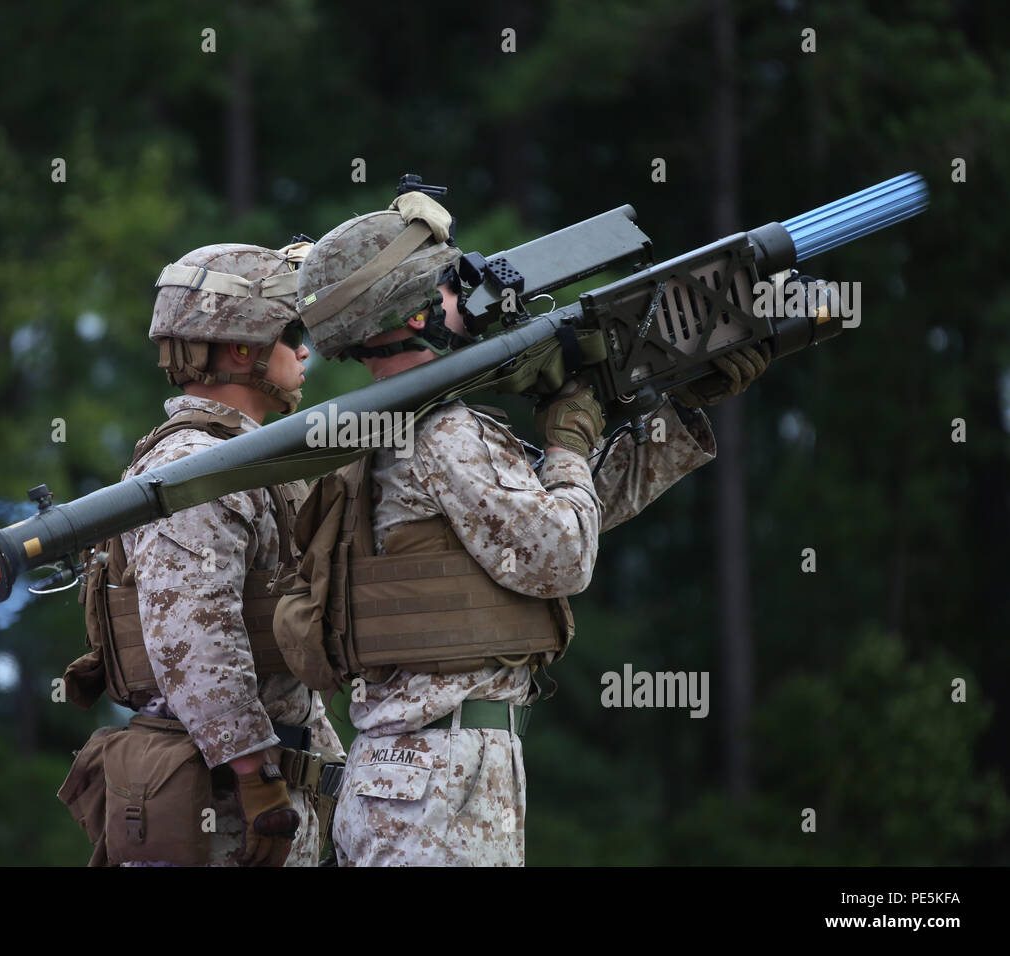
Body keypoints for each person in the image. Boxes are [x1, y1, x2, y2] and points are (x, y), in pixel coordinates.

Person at [293, 193, 766, 865]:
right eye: (451, 288)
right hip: (440, 781)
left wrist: (676, 421)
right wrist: (568, 443)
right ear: (415, 314)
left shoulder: (387, 426)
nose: (471, 299)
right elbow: (562, 554)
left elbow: (544, 521)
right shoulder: (446, 433)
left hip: (417, 774)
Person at [58, 242, 345, 867]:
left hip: (251, 787)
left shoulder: (248, 458)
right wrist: (256, 776)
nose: (304, 350)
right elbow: (195, 639)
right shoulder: (197, 469)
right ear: (240, 350)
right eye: (290, 331)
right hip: (222, 804)